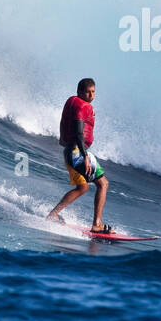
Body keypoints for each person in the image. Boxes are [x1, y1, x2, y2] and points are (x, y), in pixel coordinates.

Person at [46, 78, 112, 233]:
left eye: (93, 92)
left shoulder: (72, 101)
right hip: (78, 152)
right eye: (87, 92)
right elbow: (79, 133)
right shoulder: (83, 106)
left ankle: (53, 214)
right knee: (103, 184)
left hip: (69, 151)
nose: (91, 95)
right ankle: (97, 224)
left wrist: (64, 139)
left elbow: (63, 123)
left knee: (82, 187)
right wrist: (86, 157)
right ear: (80, 91)